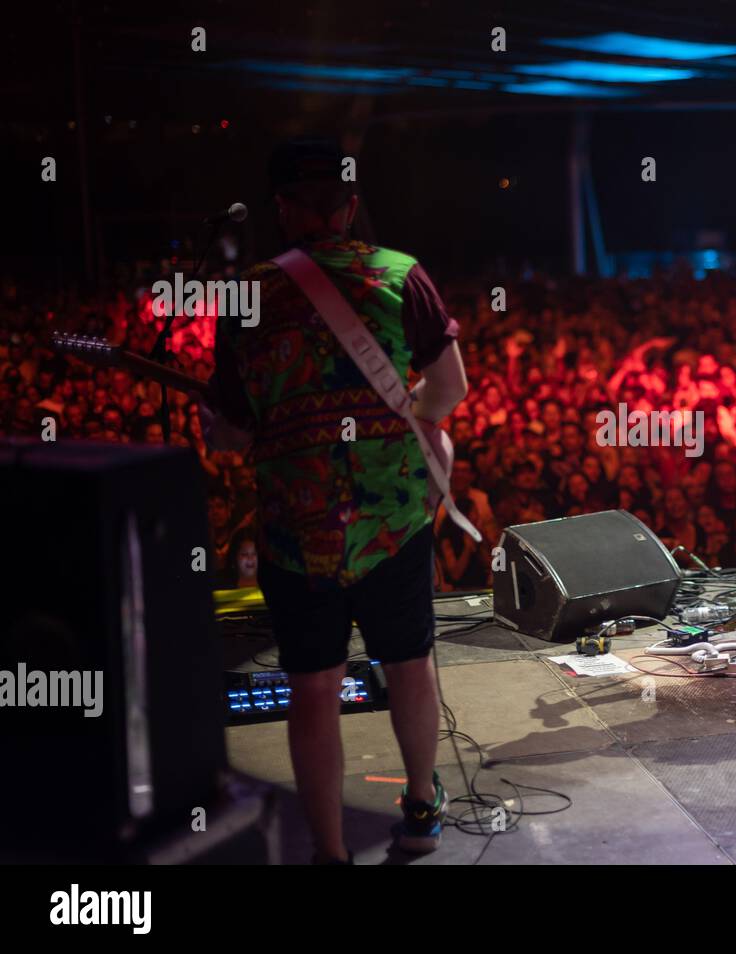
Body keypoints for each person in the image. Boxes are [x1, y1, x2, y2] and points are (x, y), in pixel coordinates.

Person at [203, 138, 469, 863]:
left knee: (314, 686)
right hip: (393, 521)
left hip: (297, 530)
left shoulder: (249, 295)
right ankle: (420, 809)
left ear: (283, 210)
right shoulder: (400, 276)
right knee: (410, 663)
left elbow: (229, 433)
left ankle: (327, 850)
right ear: (351, 206)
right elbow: (450, 392)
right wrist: (406, 417)